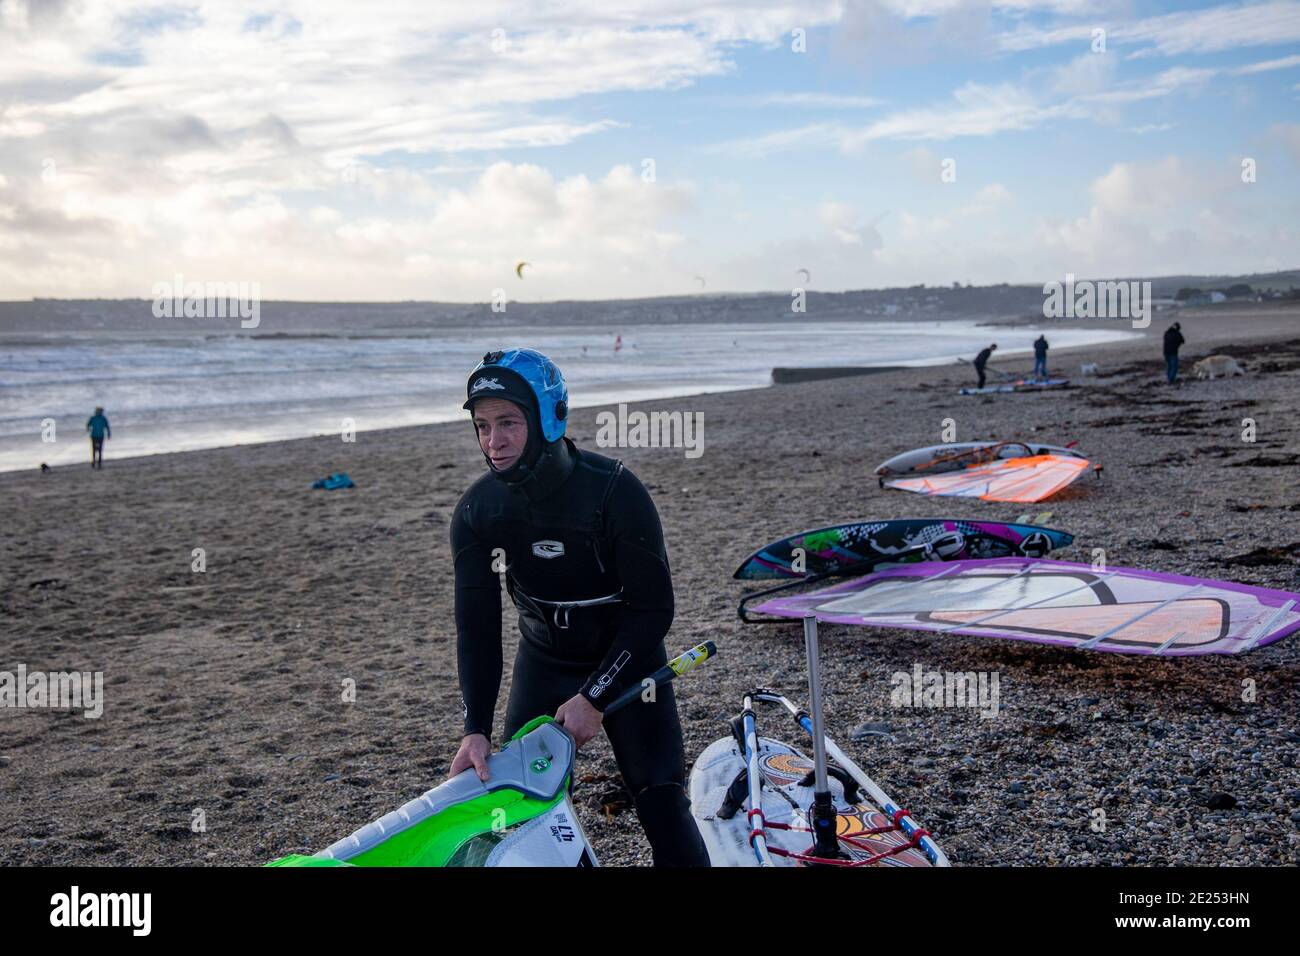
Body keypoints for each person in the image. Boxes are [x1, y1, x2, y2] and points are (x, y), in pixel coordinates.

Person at [448, 348, 710, 867]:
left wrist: (594, 696)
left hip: (628, 657)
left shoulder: (615, 492)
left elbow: (654, 609)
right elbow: (477, 628)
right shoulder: (480, 512)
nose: (493, 442)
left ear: (548, 419)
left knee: (660, 800)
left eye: (508, 423)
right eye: (481, 426)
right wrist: (474, 727)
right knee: (525, 811)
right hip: (544, 659)